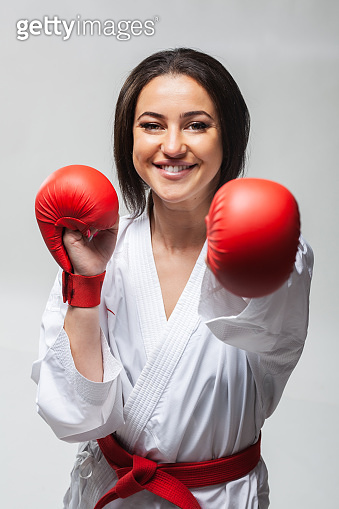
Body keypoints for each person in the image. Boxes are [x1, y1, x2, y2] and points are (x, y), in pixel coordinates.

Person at [32, 48, 313, 508]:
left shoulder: (272, 247)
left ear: (230, 137)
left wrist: (247, 249)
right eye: (152, 124)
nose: (173, 145)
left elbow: (273, 340)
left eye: (197, 124)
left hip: (215, 499)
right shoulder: (101, 246)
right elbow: (77, 419)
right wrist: (86, 280)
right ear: (130, 138)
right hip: (113, 494)